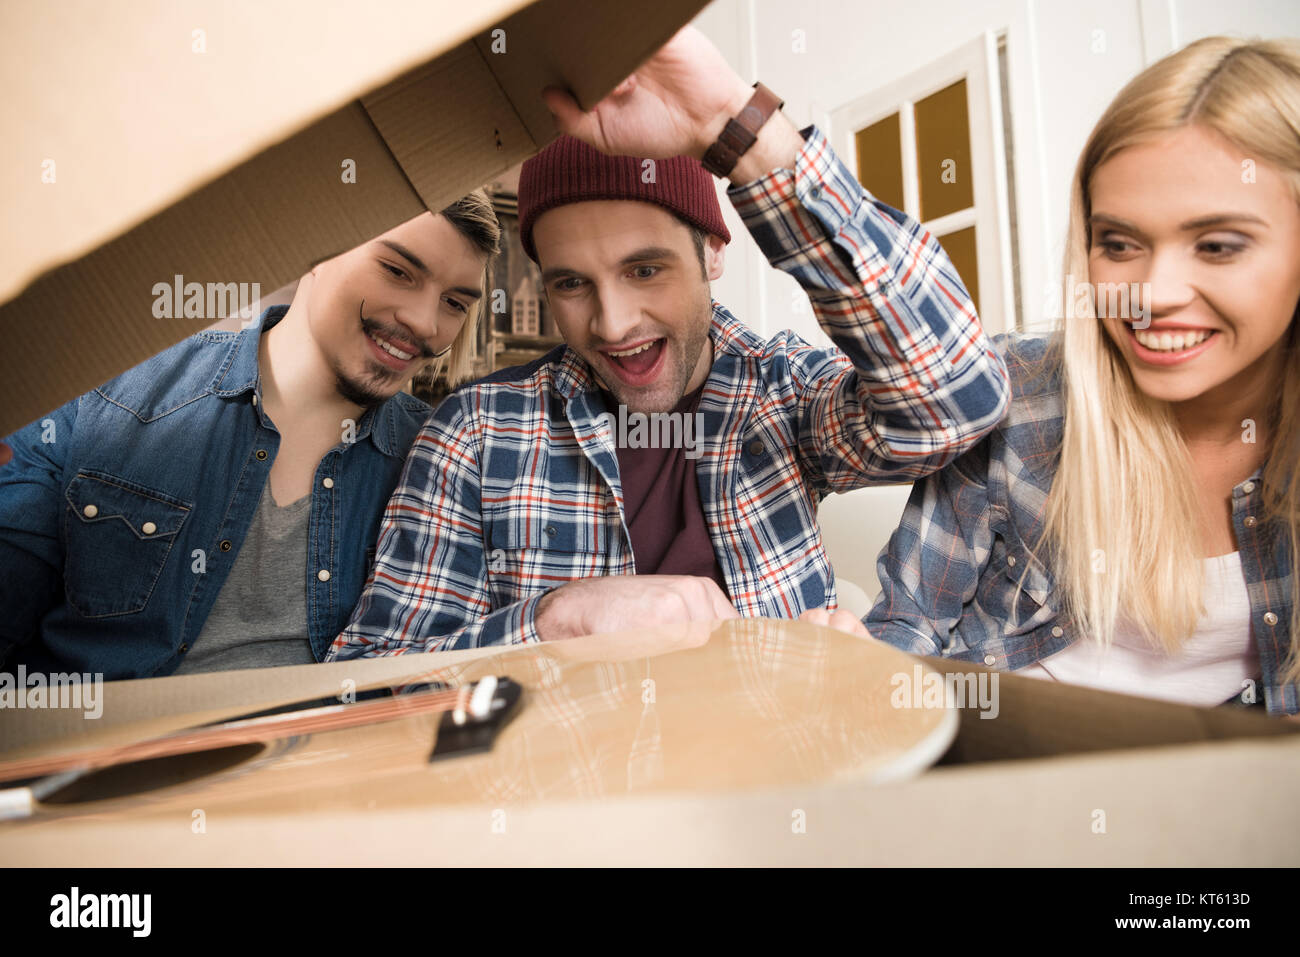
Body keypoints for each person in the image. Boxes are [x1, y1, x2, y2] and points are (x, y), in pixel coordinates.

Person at [328, 26, 1010, 659]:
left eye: (645, 269)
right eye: (571, 284)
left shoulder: (782, 391)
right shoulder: (475, 433)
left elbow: (955, 399)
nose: (614, 324)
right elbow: (367, 679)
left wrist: (737, 129)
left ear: (714, 252)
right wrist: (552, 622)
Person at [867, 37, 1300, 717]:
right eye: (1120, 244)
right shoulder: (1015, 400)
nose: (1152, 293)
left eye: (1217, 245)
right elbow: (905, 624)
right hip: (1011, 773)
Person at [0, 192, 500, 679]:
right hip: (103, 754)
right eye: (396, 271)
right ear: (317, 243)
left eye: (454, 303)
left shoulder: (442, 457)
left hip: (329, 758)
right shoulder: (107, 392)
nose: (425, 322)